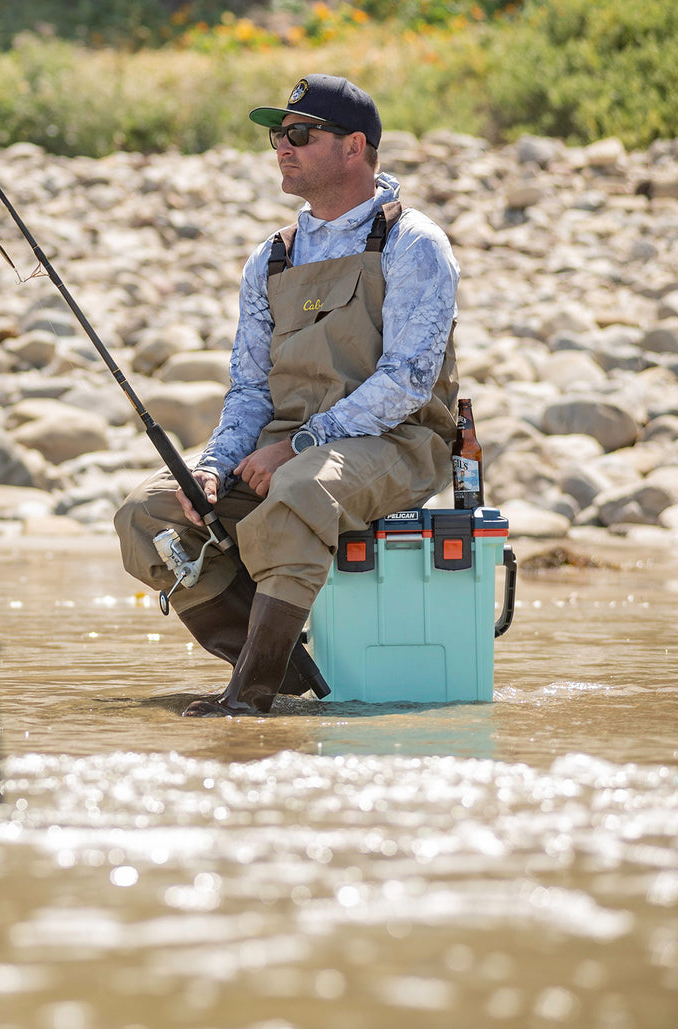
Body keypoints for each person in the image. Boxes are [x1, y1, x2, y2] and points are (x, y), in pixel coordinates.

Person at [115, 74, 460, 717]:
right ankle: (284, 670)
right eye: (278, 135)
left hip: (399, 442)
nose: (282, 146)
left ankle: (248, 699)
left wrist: (300, 446)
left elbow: (408, 382)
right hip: (288, 448)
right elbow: (250, 387)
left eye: (300, 133)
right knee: (149, 512)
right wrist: (213, 468)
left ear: (354, 147)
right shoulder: (270, 257)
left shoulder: (415, 243)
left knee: (299, 491)